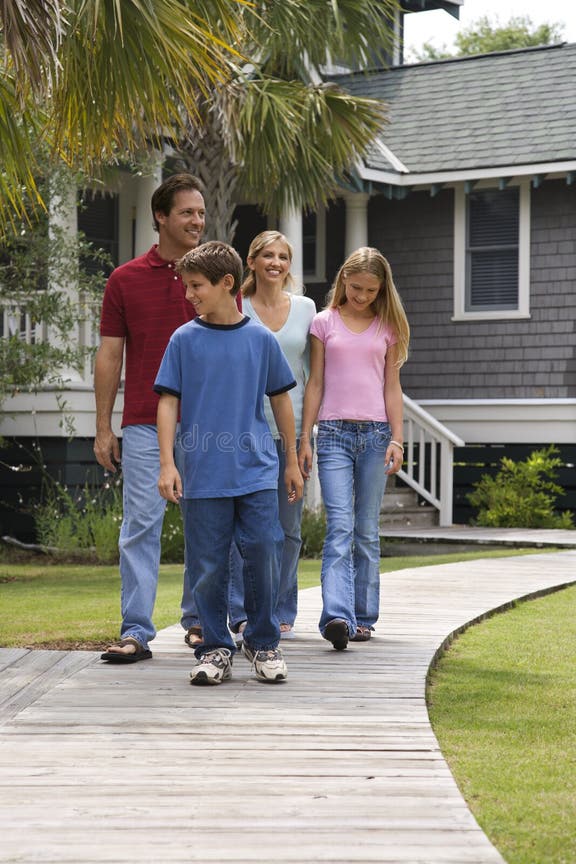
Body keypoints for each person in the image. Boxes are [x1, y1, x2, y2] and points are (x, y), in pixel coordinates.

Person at [154, 241, 304, 685]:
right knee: (208, 563)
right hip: (202, 474)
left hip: (257, 470)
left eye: (196, 285)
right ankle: (215, 647)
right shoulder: (184, 339)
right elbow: (167, 403)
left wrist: (291, 461)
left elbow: (282, 401)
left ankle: (261, 642)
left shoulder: (260, 339)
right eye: (186, 285)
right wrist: (168, 463)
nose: (189, 294)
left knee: (263, 549)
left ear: (226, 284)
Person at [95, 173, 210, 663]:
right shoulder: (125, 279)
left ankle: (201, 622)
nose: (197, 221)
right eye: (187, 213)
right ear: (161, 216)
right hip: (143, 420)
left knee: (206, 524)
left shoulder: (218, 275)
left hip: (208, 423)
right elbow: (109, 356)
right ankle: (137, 631)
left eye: (201, 213)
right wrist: (104, 426)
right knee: (141, 524)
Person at [298, 247, 410, 651]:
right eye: (357, 287)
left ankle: (363, 617)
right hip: (332, 436)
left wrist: (397, 438)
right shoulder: (323, 323)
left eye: (371, 291)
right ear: (344, 278)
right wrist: (304, 437)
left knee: (365, 531)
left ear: (382, 290)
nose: (363, 296)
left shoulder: (388, 327)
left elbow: (391, 388)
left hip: (377, 436)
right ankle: (337, 616)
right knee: (340, 526)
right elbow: (315, 383)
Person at [228, 231, 316, 641]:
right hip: (244, 433)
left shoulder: (306, 309)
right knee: (239, 528)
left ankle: (282, 609)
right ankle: (240, 611)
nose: (275, 262)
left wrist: (305, 439)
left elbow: (313, 377)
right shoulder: (235, 306)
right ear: (252, 261)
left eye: (282, 256)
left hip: (291, 432)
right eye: (267, 255)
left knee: (287, 527)